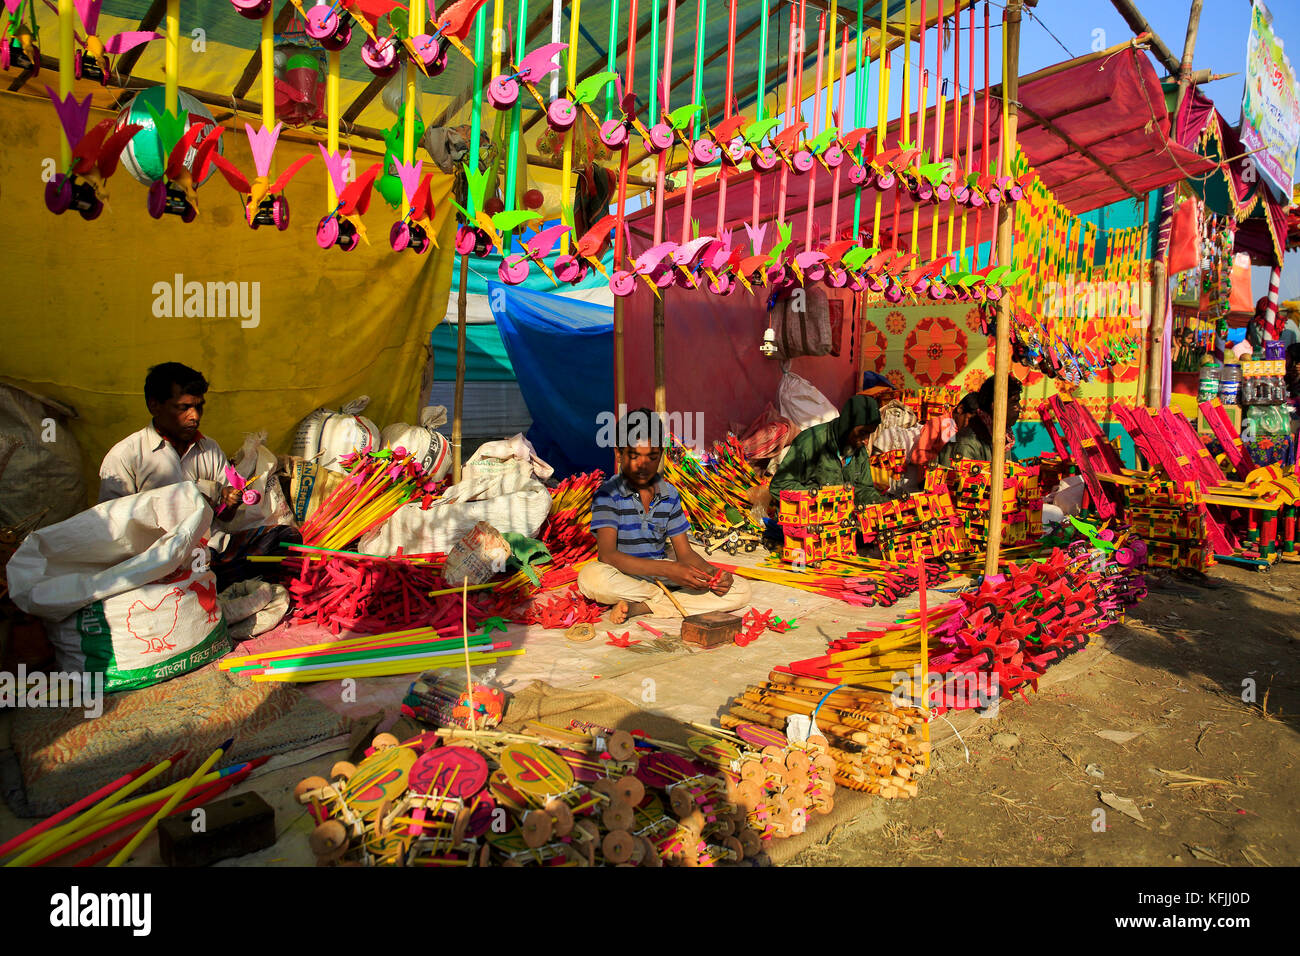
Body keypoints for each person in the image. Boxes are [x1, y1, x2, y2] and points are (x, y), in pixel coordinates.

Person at [577, 408, 751, 624]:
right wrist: (669, 570)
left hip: (662, 577)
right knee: (591, 579)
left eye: (652, 457)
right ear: (619, 454)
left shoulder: (669, 494)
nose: (643, 465)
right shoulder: (608, 494)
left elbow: (685, 554)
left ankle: (642, 607)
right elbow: (608, 556)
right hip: (624, 577)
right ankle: (661, 600)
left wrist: (712, 574)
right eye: (634, 456)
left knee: (740, 590)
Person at [98, 362, 240, 512]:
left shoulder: (210, 449)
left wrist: (230, 504)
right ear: (154, 406)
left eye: (199, 406)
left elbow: (226, 517)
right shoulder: (125, 456)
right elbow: (114, 525)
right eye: (183, 408)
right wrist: (179, 507)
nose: (195, 416)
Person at [769, 394, 884, 506]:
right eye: (862, 433)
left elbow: (863, 488)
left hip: (843, 519)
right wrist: (819, 497)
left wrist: (880, 503)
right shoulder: (812, 442)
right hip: (810, 518)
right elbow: (779, 485)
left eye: (869, 433)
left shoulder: (859, 450)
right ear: (847, 426)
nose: (866, 441)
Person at [938, 376, 1023, 465]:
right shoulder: (967, 443)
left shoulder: (1002, 438)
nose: (1019, 408)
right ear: (995, 406)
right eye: (1014, 402)